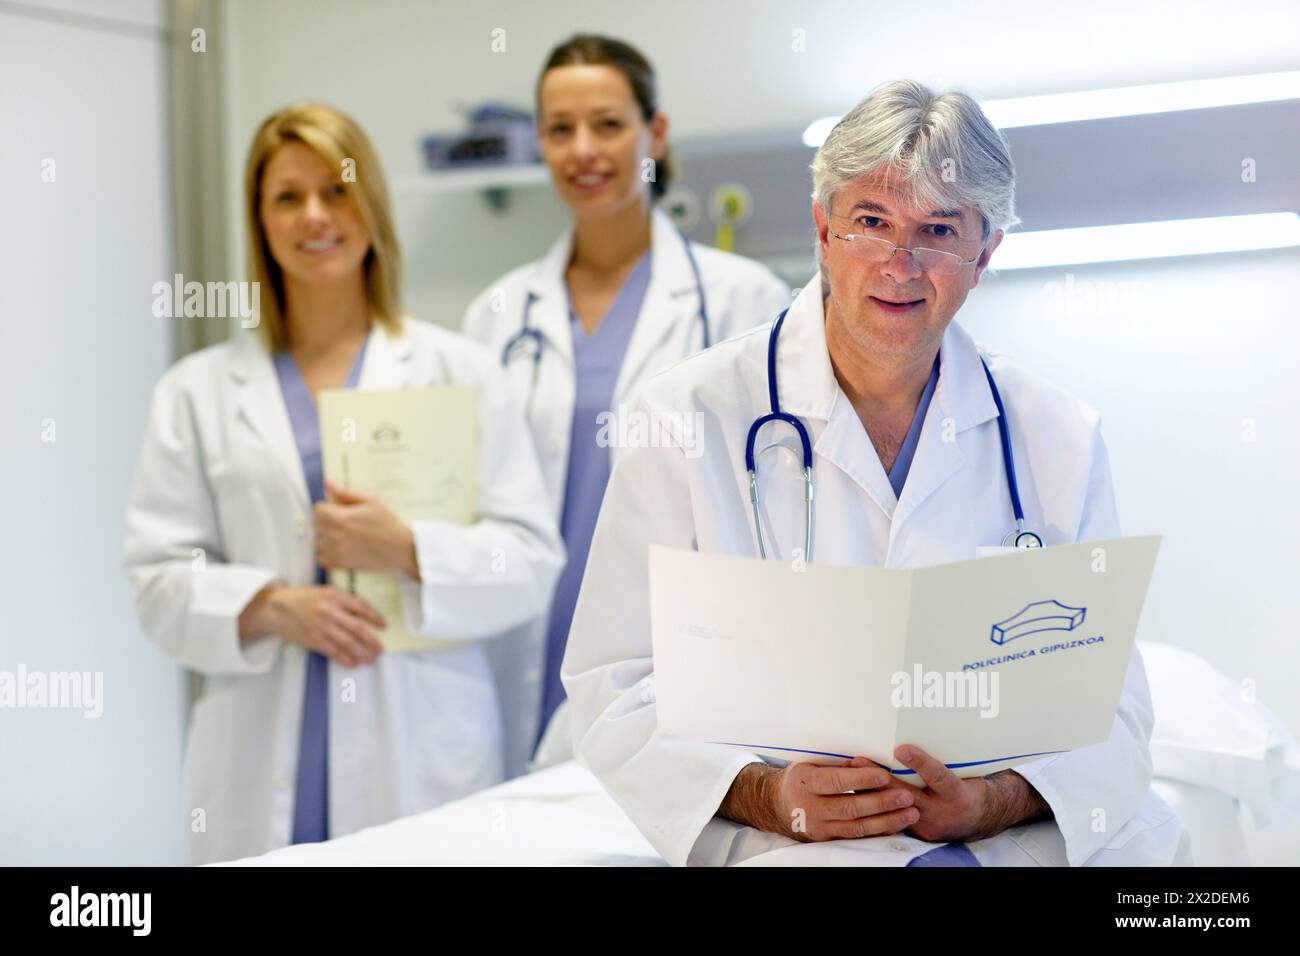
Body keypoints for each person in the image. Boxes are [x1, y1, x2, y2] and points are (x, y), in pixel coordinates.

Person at [561, 80, 1190, 866]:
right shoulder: (683, 417)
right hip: (778, 841)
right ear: (823, 230)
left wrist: (989, 802)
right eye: (871, 222)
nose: (901, 262)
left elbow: (1114, 706)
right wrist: (766, 792)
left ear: (985, 253)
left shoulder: (1055, 435)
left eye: (938, 230)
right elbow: (612, 683)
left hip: (1004, 841)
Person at [123, 103, 563, 864]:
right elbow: (157, 581)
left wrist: (410, 550)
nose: (315, 216)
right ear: (259, 222)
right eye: (287, 197)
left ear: (372, 206)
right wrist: (268, 605)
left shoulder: (457, 371)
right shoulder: (195, 392)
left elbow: (529, 562)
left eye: (336, 188)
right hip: (260, 751)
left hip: (419, 742)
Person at [463, 34, 790, 756]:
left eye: (608, 124)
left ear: (655, 133)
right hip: (528, 651)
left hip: (677, 659)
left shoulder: (745, 304)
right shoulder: (494, 318)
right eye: (559, 129)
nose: (584, 150)